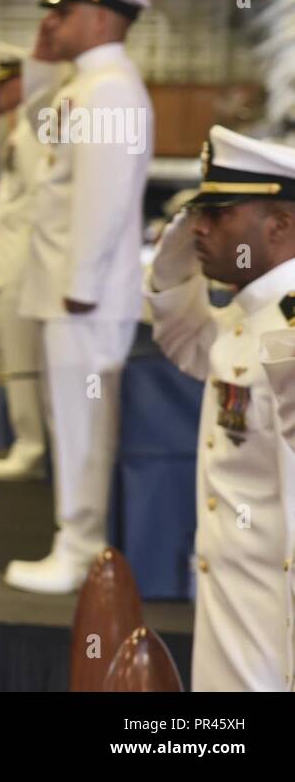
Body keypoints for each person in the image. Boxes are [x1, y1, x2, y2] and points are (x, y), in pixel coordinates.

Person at [5, 0, 153, 595]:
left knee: (85, 426)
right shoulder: (84, 87)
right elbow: (33, 132)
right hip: (68, 289)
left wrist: (83, 287)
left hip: (83, 296)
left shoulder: (111, 89)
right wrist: (42, 60)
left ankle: (81, 548)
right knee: (71, 421)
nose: (52, 24)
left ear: (97, 17)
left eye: (62, 14)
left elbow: (105, 194)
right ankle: (77, 541)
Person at [147, 126, 295, 691]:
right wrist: (186, 236)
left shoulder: (283, 324)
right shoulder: (245, 317)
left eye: (219, 215)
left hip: (273, 628)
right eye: (196, 216)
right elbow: (181, 333)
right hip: (230, 604)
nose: (201, 230)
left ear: (279, 225)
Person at [0, 36, 68, 481]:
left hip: (28, 264)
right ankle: (33, 445)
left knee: (28, 365)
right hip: (14, 262)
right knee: (20, 364)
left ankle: (33, 446)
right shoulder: (21, 127)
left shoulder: (39, 128)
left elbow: (41, 204)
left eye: (6, 84)